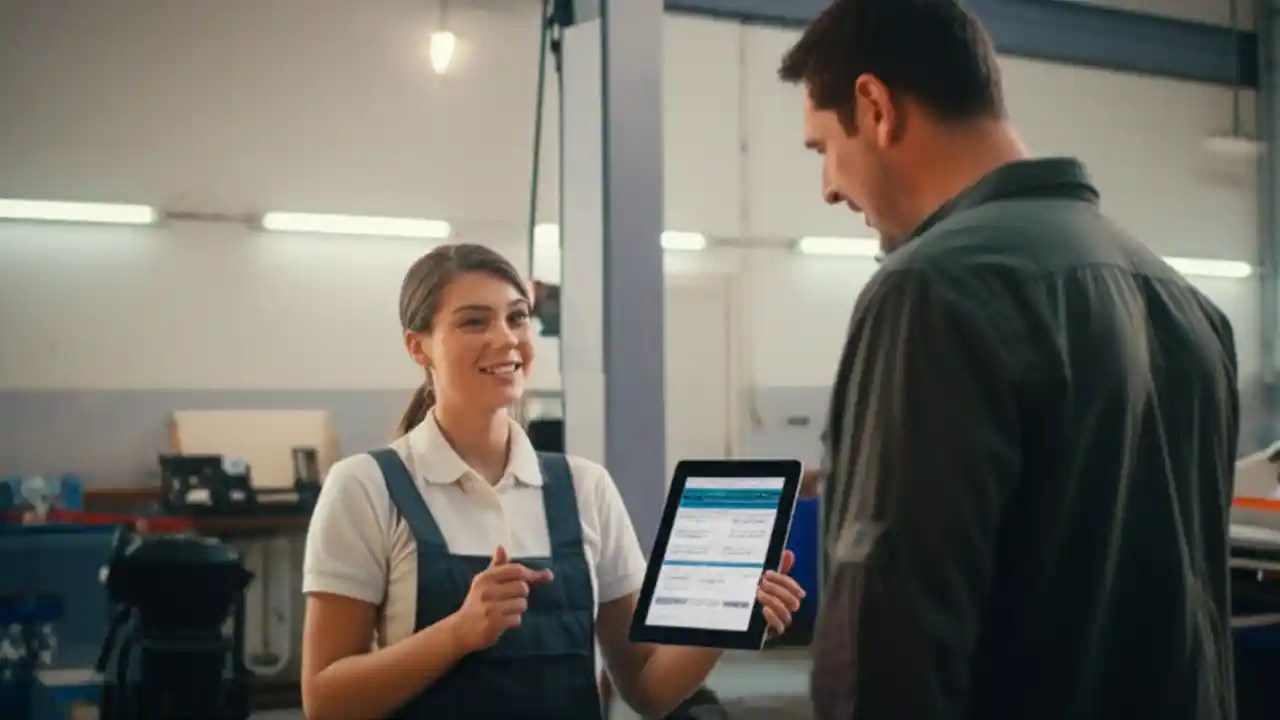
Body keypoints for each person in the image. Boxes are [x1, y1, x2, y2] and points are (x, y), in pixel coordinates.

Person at [778, 1, 1240, 719]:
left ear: (875, 107)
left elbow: (890, 637)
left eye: (820, 149)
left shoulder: (933, 287)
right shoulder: (1185, 303)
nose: (829, 188)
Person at [299, 243, 806, 720]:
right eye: (474, 321)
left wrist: (727, 617)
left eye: (517, 316)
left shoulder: (585, 488)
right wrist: (458, 633)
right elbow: (324, 699)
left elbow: (648, 690)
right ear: (419, 347)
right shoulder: (366, 487)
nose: (506, 337)